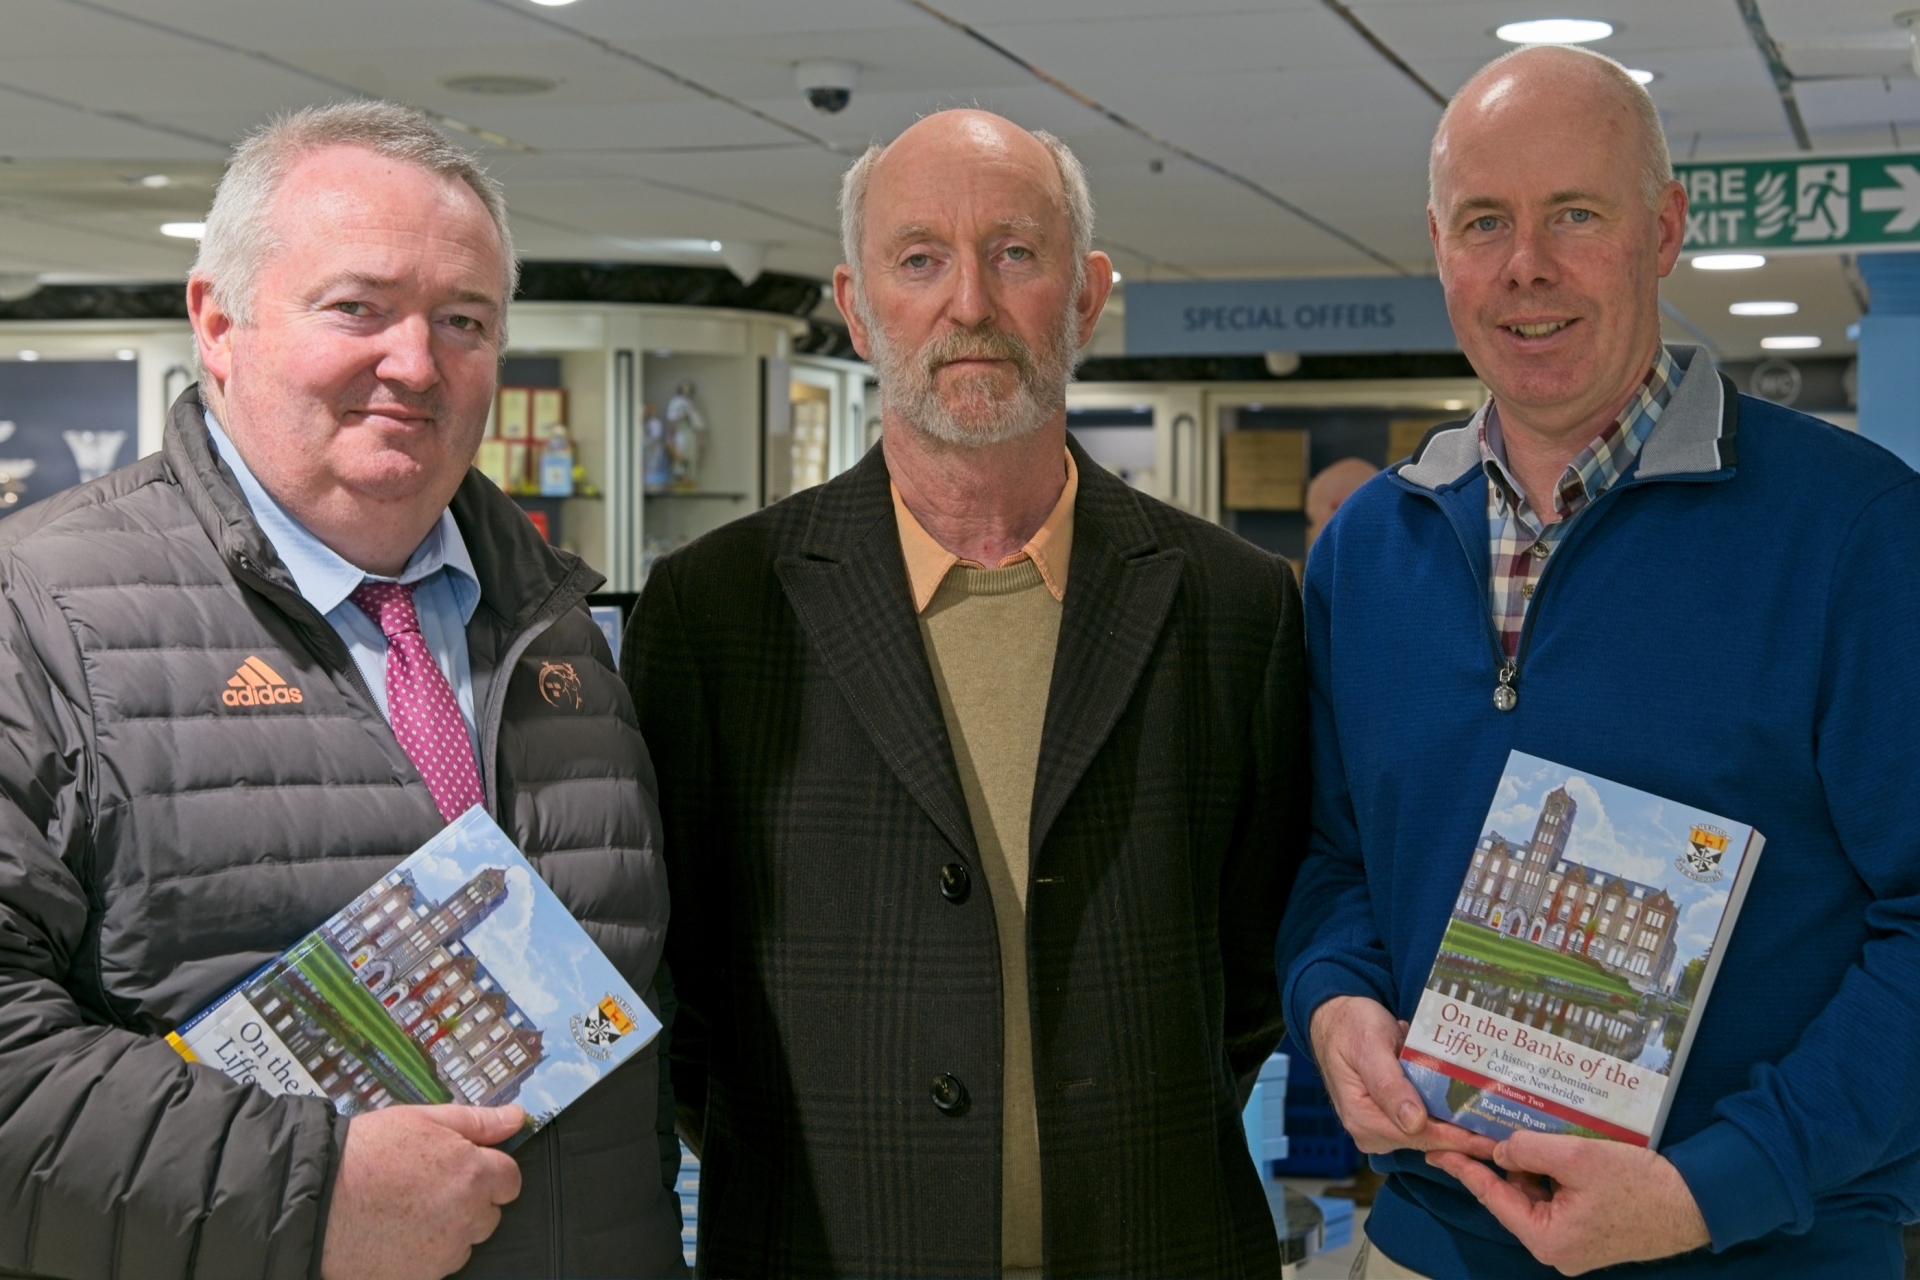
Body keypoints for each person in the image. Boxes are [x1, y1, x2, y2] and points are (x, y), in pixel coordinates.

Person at [0, 102, 684, 1280]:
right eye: (357, 307)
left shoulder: (557, 626)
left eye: (463, 321)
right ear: (219, 321)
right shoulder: (39, 614)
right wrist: (306, 1190)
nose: (415, 364)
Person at [626, 108, 1306, 1278]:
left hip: (1159, 1242)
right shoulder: (713, 612)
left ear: (1086, 296)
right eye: (921, 258)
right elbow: (677, 988)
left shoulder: (1237, 608)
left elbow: (1251, 979)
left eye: (1017, 253)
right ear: (856, 303)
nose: (972, 304)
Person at [1281, 43, 1920, 1280]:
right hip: (1426, 1246)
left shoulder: (1855, 533)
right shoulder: (1370, 551)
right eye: (1485, 221)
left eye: (1575, 213)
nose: (1527, 265)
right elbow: (1337, 860)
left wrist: (1710, 1187)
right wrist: (1333, 997)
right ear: (1438, 245)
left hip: (1759, 1251)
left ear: (1663, 228)